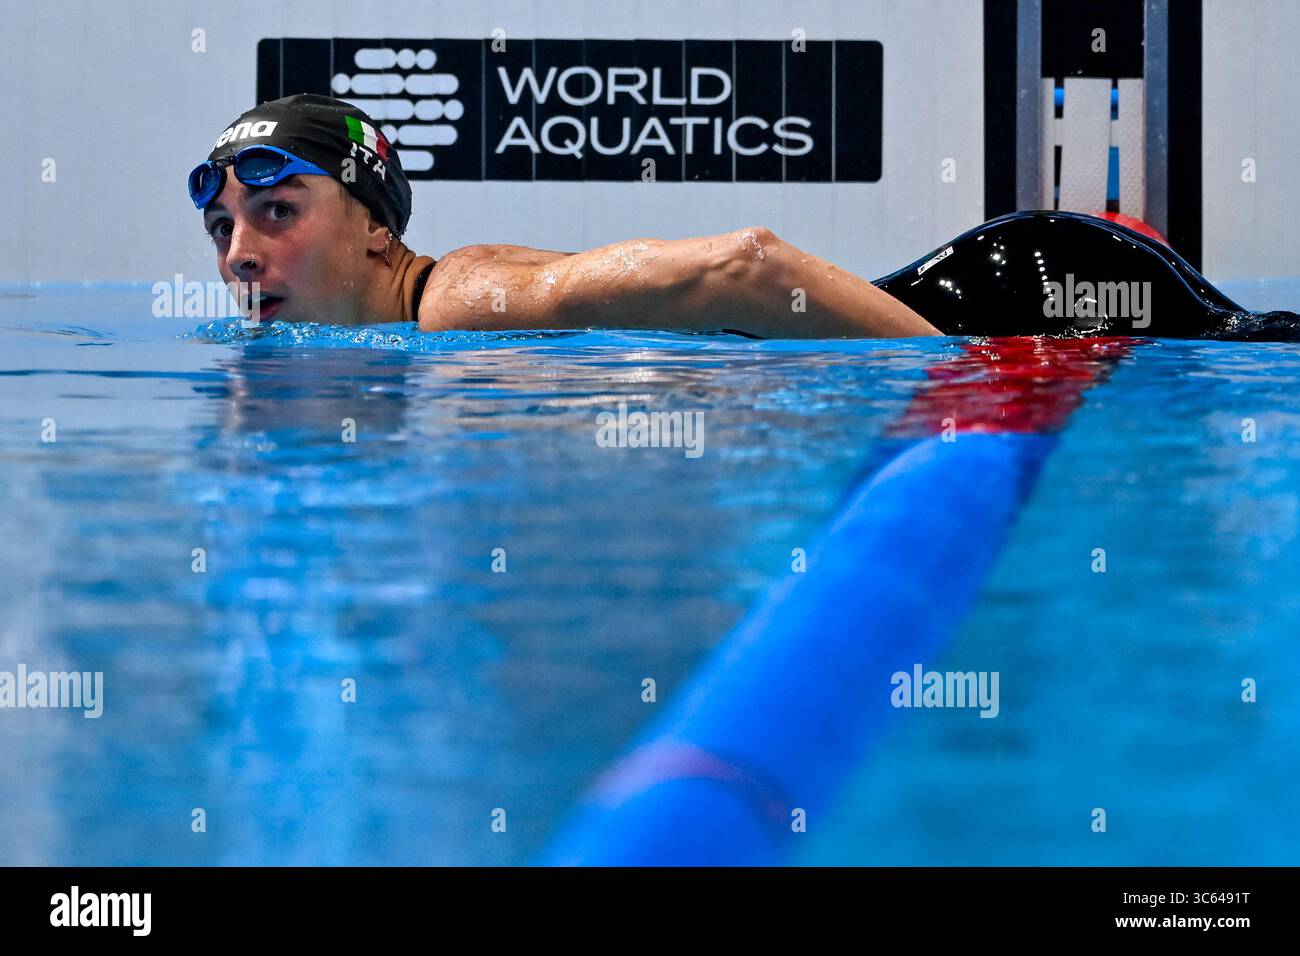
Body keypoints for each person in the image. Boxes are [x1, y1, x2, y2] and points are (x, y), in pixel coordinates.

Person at [191, 94, 1300, 341]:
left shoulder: (460, 306)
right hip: (1019, 281)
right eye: (225, 229)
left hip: (1018, 290)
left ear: (379, 226)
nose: (242, 253)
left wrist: (945, 364)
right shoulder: (416, 323)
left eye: (278, 210)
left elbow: (743, 262)